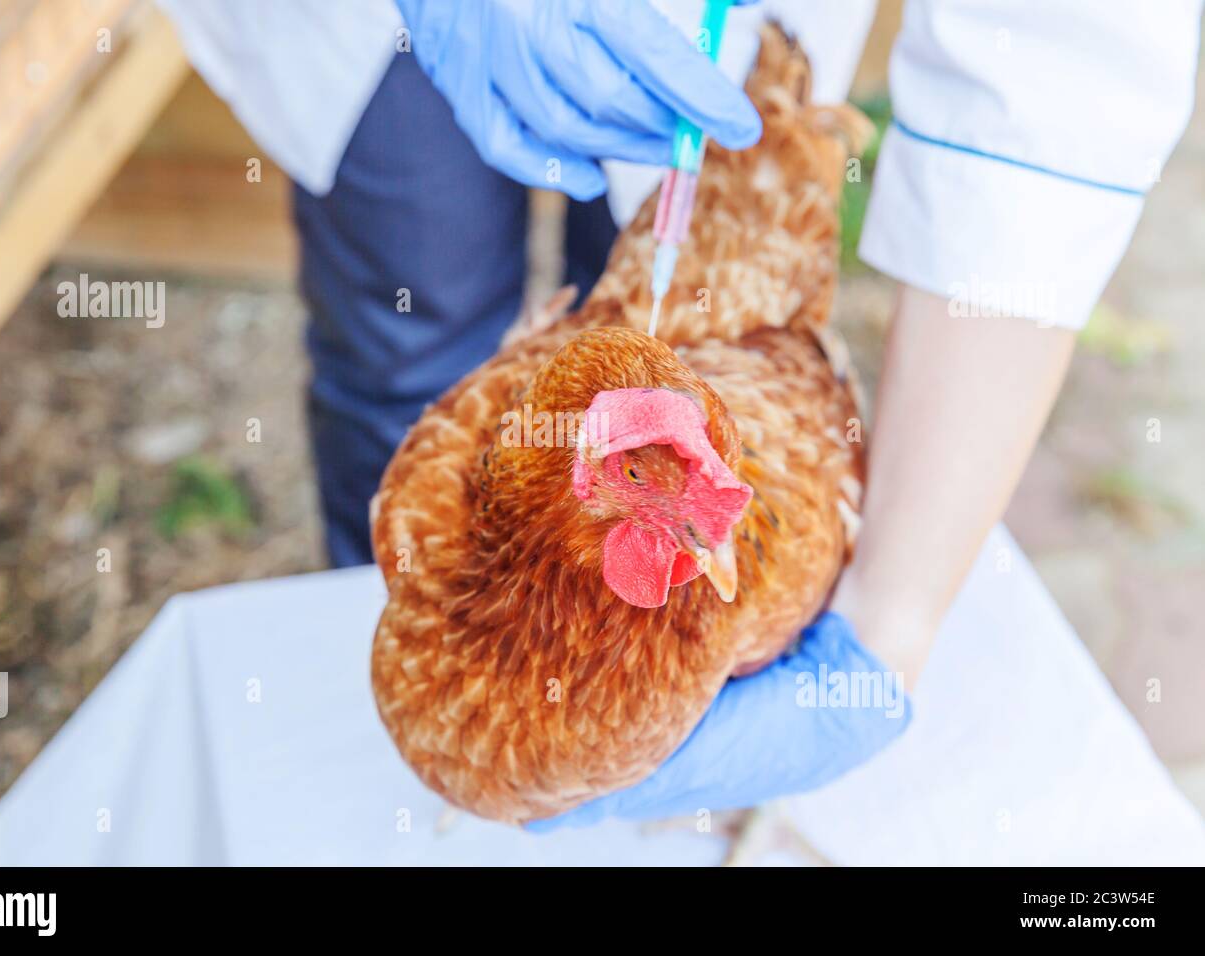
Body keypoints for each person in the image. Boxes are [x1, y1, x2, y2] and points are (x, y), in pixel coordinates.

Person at [157, 0, 1204, 827]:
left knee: (616, 222)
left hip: (715, 82)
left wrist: (895, 618)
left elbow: (1056, 75)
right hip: (372, 22)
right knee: (402, 336)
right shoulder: (430, 513)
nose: (722, 537)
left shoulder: (743, 572)